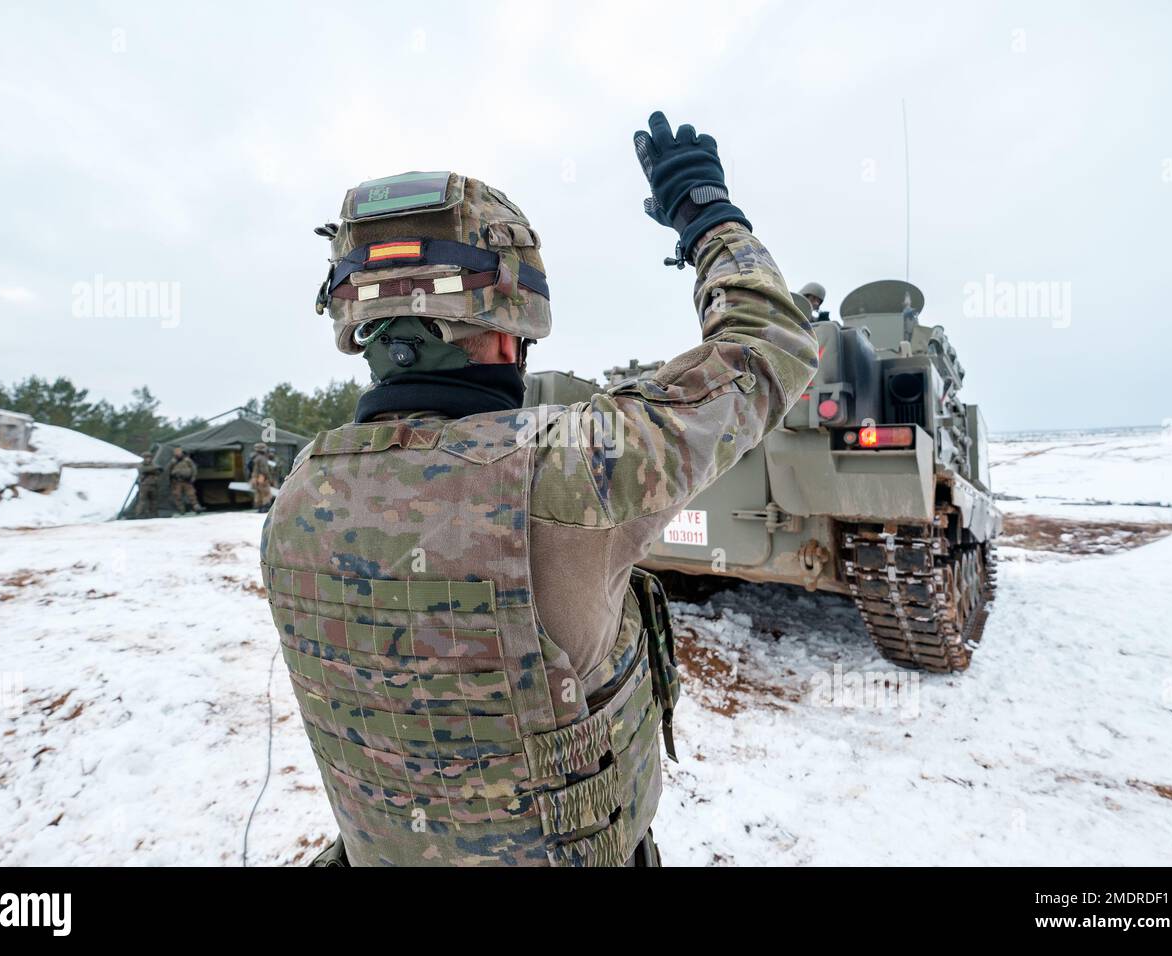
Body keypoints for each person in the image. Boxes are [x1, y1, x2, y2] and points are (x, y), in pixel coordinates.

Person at [261, 112, 818, 867]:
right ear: (511, 321)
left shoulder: (297, 496)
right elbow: (770, 344)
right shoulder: (572, 465)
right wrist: (707, 214)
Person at [167, 446, 203, 514]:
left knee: (191, 494)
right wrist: (171, 480)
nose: (178, 454)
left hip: (187, 481)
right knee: (177, 495)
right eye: (176, 453)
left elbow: (194, 469)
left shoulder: (187, 460)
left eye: (179, 453)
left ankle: (196, 507)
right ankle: (181, 509)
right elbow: (169, 470)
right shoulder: (173, 461)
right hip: (177, 481)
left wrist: (193, 477)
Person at [246, 441, 273, 513]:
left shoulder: (254, 457)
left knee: (258, 493)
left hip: (255, 478)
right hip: (262, 478)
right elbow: (264, 470)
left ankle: (260, 508)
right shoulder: (262, 458)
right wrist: (269, 478)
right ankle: (264, 508)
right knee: (266, 493)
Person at [134, 452, 161, 518]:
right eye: (146, 457)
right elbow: (143, 470)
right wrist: (153, 469)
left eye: (149, 457)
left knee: (154, 501)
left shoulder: (154, 464)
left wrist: (153, 469)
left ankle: (154, 514)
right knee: (142, 501)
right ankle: (139, 514)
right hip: (144, 485)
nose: (148, 459)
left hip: (153, 485)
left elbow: (159, 471)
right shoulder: (141, 465)